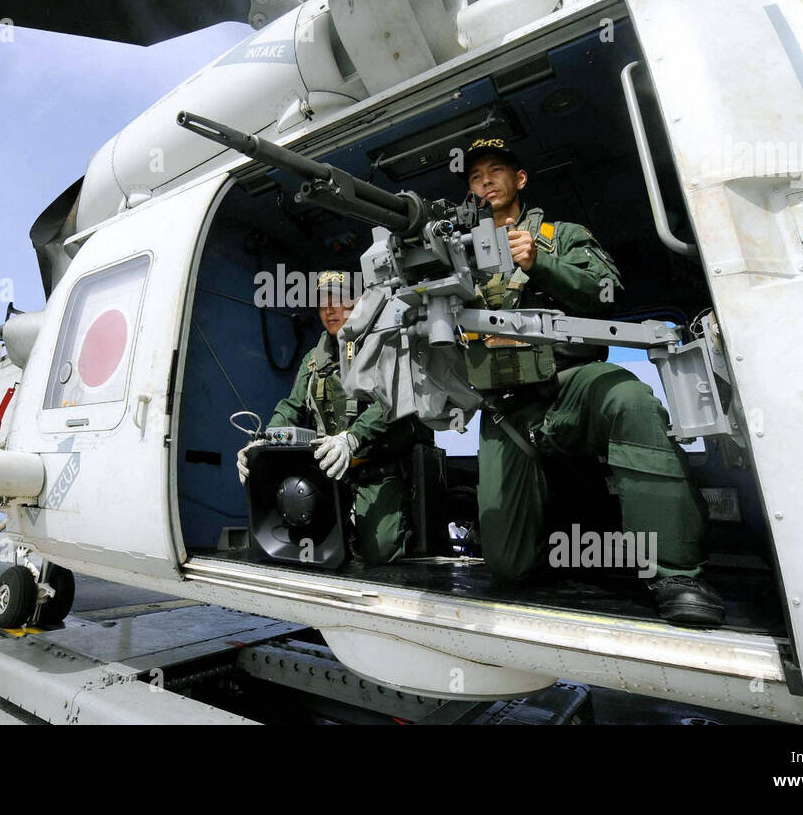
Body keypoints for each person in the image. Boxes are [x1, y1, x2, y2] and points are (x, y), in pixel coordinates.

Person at [458, 135, 724, 627]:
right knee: (508, 567)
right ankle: (566, 548)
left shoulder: (561, 234)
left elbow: (605, 293)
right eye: (475, 176)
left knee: (629, 398)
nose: (485, 181)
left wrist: (541, 262)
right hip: (505, 407)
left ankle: (676, 573)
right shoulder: (460, 259)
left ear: (519, 180)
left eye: (495, 171)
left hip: (570, 382)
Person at [237, 270, 431, 565]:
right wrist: (262, 446)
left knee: (378, 551)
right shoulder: (313, 361)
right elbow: (291, 407)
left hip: (373, 469)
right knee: (301, 534)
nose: (329, 309)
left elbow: (388, 403)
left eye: (338, 300)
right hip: (328, 472)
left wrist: (350, 439)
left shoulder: (381, 345)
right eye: (323, 302)